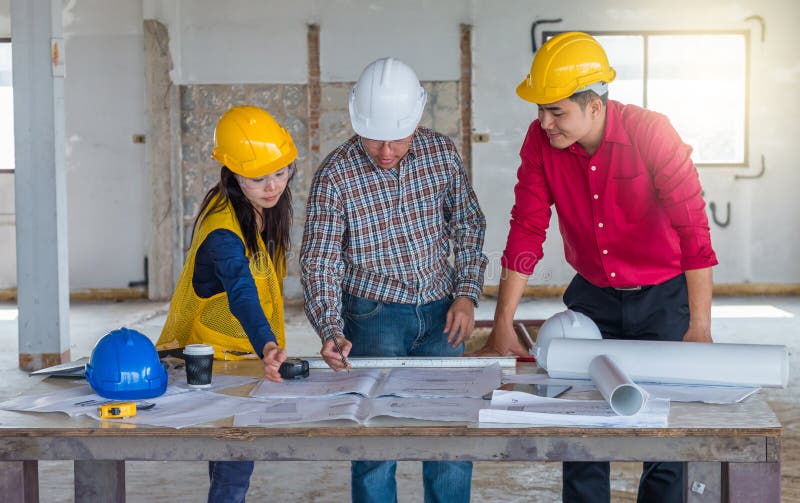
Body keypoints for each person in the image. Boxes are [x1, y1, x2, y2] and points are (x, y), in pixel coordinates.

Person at [471, 32, 718, 503]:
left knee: (665, 431)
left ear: (596, 104)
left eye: (557, 111)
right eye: (540, 110)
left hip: (665, 298)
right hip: (592, 297)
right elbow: (527, 227)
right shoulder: (541, 142)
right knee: (580, 422)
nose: (544, 122)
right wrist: (502, 326)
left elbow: (694, 232)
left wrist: (700, 328)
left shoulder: (651, 133)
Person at [300, 57, 488, 503]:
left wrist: (466, 293)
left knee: (448, 434)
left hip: (444, 313)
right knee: (374, 438)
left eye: (397, 139)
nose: (385, 151)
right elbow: (320, 260)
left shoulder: (441, 154)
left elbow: (467, 224)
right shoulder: (336, 174)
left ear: (416, 120)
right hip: (373, 317)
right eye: (373, 138)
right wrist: (330, 327)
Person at [156, 105, 295, 502]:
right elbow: (242, 293)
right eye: (257, 178)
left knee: (233, 463)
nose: (272, 186)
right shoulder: (223, 231)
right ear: (232, 173)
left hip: (240, 356)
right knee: (233, 467)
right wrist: (267, 345)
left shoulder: (260, 209)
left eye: (280, 172)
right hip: (213, 363)